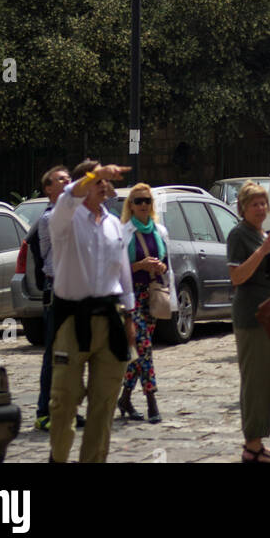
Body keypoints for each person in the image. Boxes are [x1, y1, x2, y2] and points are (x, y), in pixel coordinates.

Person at [47, 158, 134, 463]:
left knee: (104, 404)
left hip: (109, 319)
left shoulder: (113, 224)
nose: (100, 184)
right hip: (72, 320)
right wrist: (93, 173)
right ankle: (58, 458)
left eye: (102, 180)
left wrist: (130, 316)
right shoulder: (64, 218)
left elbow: (123, 273)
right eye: (93, 180)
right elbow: (68, 197)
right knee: (64, 401)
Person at [226, 180, 270, 463]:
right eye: (254, 204)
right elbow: (237, 277)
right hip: (252, 318)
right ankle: (252, 445)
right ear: (243, 208)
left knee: (267, 382)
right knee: (255, 382)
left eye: (263, 203)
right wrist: (262, 252)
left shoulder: (262, 233)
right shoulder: (240, 235)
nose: (260, 208)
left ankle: (259, 442)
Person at [118, 182, 174, 424]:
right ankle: (152, 400)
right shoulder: (125, 232)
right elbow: (117, 270)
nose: (143, 205)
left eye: (147, 201)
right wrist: (139, 265)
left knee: (140, 350)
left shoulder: (159, 231)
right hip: (131, 296)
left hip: (152, 294)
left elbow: (167, 264)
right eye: (138, 201)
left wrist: (159, 266)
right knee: (144, 347)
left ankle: (125, 398)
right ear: (130, 205)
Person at [33, 164, 71, 431]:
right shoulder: (49, 218)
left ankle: (69, 408)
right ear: (48, 188)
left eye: (68, 177)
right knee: (53, 355)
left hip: (77, 291)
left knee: (74, 354)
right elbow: (50, 257)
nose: (67, 181)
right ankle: (44, 411)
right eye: (60, 179)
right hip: (57, 290)